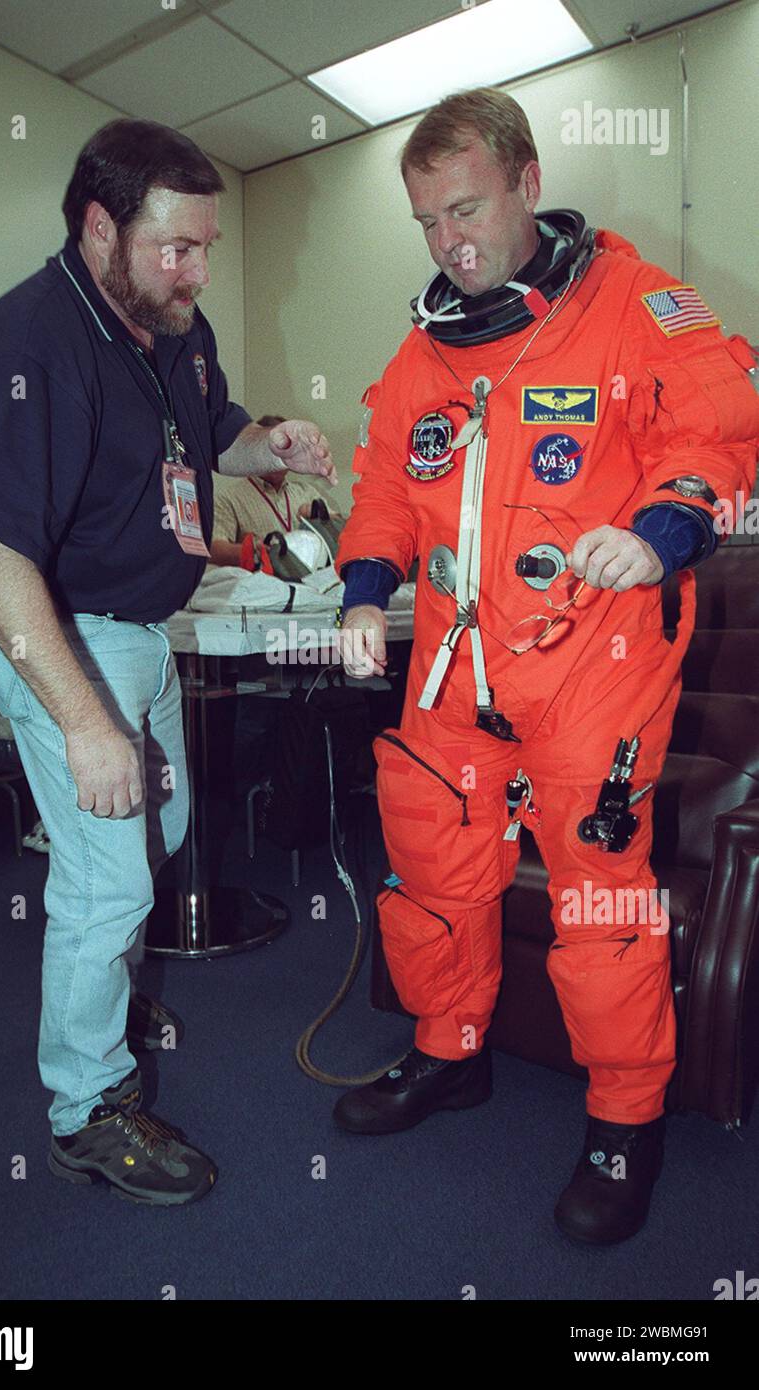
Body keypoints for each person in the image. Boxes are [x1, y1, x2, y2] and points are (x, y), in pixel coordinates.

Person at [335, 88, 759, 1245]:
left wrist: (663, 529)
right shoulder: (425, 347)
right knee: (432, 865)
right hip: (451, 671)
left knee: (601, 894)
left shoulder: (635, 306)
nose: (449, 240)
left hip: (594, 658)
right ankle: (447, 1050)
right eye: (426, 221)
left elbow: (715, 432)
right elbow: (382, 484)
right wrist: (366, 591)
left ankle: (626, 1118)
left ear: (527, 178)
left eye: (465, 207)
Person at [0, 119, 334, 1208]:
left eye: (205, 247)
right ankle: (85, 1107)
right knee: (106, 887)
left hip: (147, 631)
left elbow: (215, 436)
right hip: (66, 639)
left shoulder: (173, 327)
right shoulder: (27, 340)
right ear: (101, 227)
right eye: (178, 249)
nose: (198, 271)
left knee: (155, 838)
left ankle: (100, 991)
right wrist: (85, 720)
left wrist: (274, 441)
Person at [209, 414, 340, 570]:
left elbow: (339, 530)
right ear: (257, 450)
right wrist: (254, 552)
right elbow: (214, 548)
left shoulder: (307, 493)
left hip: (312, 583)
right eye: (274, 448)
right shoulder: (228, 499)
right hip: (263, 587)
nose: (280, 456)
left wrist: (324, 519)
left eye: (287, 448)